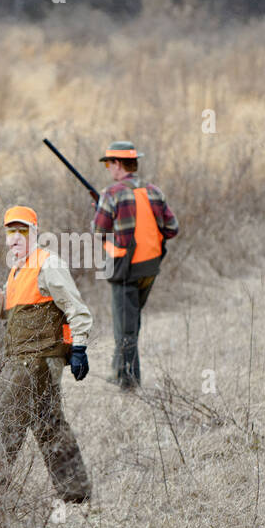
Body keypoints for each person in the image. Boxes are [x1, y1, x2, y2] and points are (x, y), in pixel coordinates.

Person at [0, 206, 93, 503]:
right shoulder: (18, 270)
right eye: (10, 232)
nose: (14, 238)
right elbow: (5, 311)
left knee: (7, 422)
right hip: (25, 358)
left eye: (21, 231)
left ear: (35, 233)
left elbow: (76, 308)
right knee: (48, 423)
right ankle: (75, 491)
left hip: (38, 359)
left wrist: (79, 347)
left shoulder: (47, 264)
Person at [91, 141, 178, 389]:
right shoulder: (154, 191)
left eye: (109, 164)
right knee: (131, 322)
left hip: (124, 272)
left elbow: (99, 231)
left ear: (118, 164)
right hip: (150, 269)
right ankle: (118, 371)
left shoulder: (112, 194)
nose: (108, 168)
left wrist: (98, 209)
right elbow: (172, 229)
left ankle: (129, 384)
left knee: (125, 330)